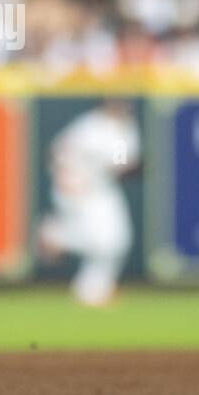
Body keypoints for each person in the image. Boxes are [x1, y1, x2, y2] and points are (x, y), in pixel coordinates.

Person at [39, 99, 141, 307]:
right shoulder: (90, 126)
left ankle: (90, 290)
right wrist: (66, 179)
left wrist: (133, 166)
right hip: (79, 188)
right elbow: (59, 150)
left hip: (103, 188)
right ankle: (56, 235)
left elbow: (120, 165)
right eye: (118, 103)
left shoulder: (124, 129)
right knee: (105, 242)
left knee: (117, 242)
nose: (121, 108)